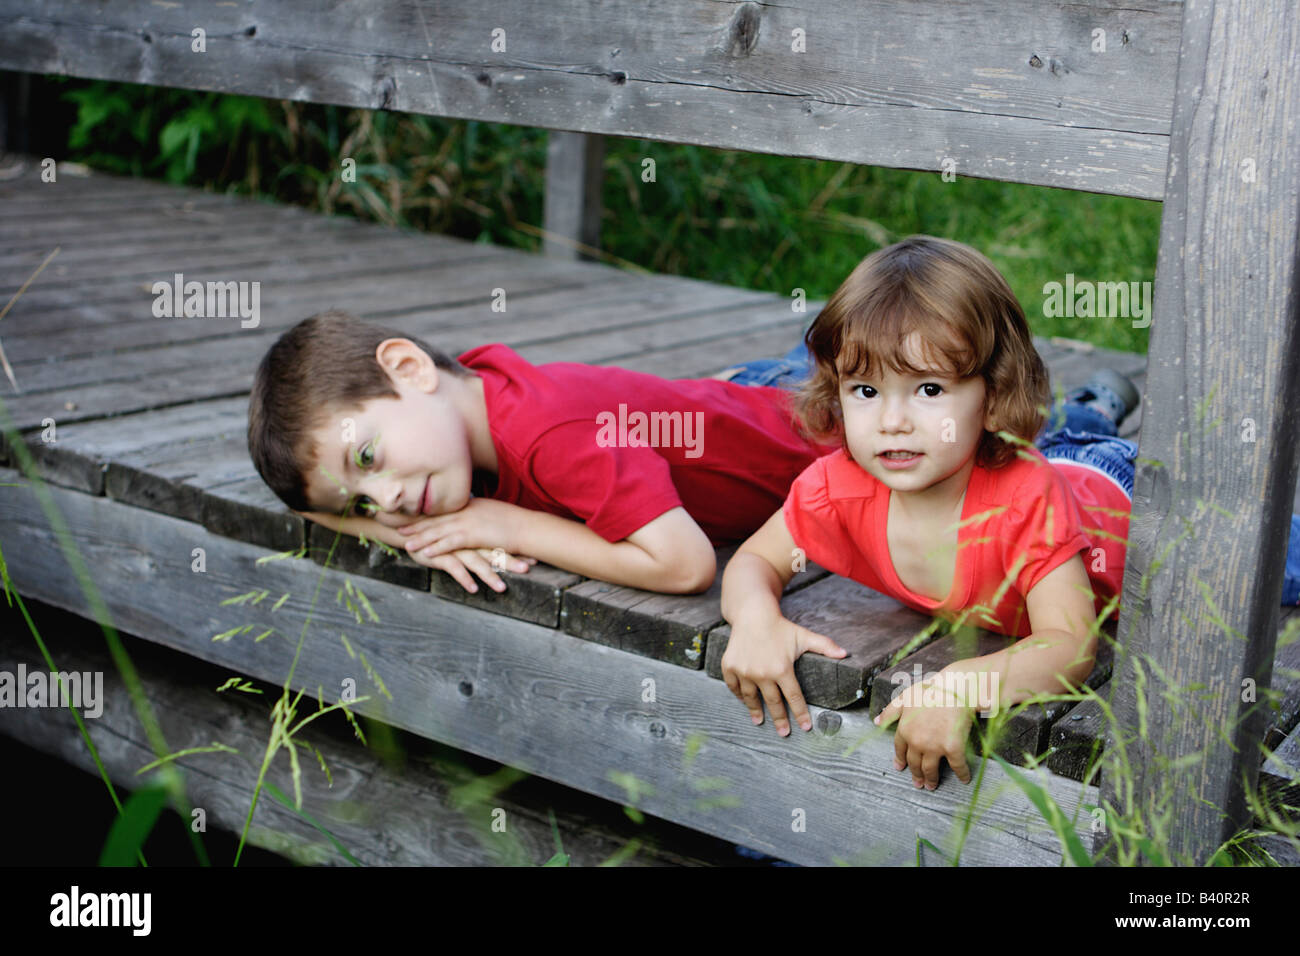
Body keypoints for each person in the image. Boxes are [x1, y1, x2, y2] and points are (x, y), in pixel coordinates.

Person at [717, 235, 1300, 793]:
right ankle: (1096, 404)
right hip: (1021, 458)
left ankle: (1106, 420)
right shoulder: (835, 489)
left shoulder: (1024, 503)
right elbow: (755, 562)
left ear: (993, 394)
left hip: (1120, 504)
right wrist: (754, 619)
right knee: (1053, 438)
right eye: (866, 391)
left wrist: (962, 683)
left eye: (928, 389)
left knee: (1268, 556)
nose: (891, 421)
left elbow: (1070, 644)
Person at [246, 310, 836, 595]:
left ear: (409, 368)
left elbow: (686, 566)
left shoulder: (548, 433)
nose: (388, 499)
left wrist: (509, 525)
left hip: (816, 431)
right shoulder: (460, 404)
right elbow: (307, 507)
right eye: (361, 506)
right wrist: (406, 535)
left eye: (368, 458)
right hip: (727, 404)